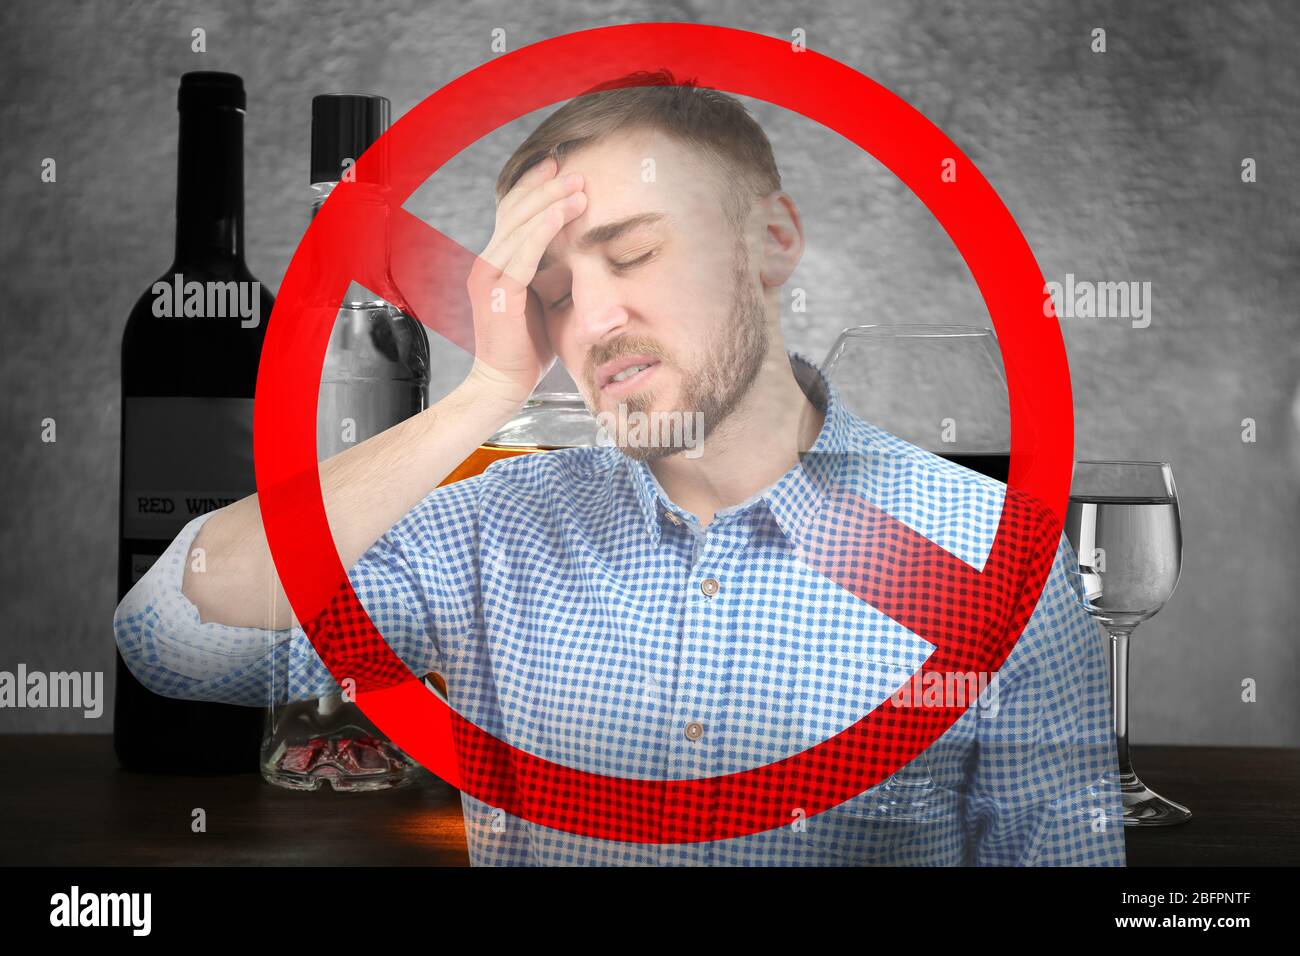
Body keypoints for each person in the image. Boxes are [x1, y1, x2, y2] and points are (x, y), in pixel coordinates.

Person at [114, 70, 1125, 866]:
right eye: (548, 290)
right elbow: (174, 633)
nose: (591, 320)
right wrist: (480, 395)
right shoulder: (491, 529)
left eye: (632, 253)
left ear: (770, 240)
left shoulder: (1004, 564)